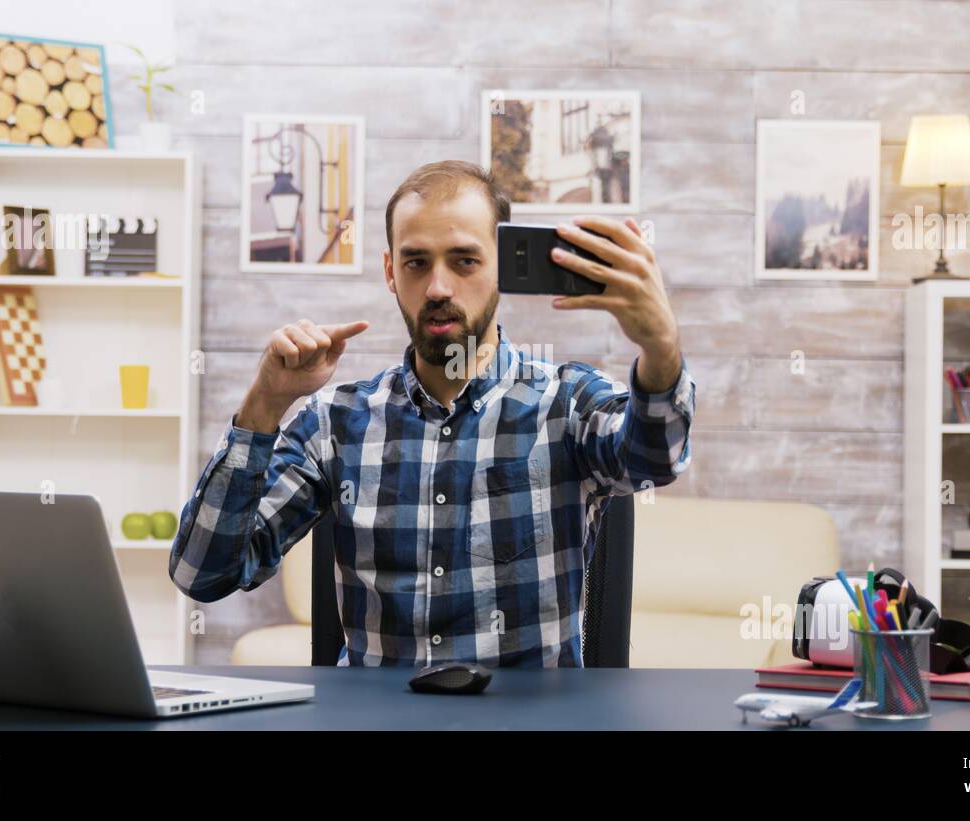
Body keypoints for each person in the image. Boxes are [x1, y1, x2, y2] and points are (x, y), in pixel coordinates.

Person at [170, 160, 695, 667]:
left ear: (501, 266)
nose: (439, 288)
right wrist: (265, 404)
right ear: (390, 271)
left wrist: (661, 348)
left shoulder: (567, 402)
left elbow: (654, 460)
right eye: (416, 262)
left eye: (464, 260)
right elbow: (204, 574)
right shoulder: (335, 422)